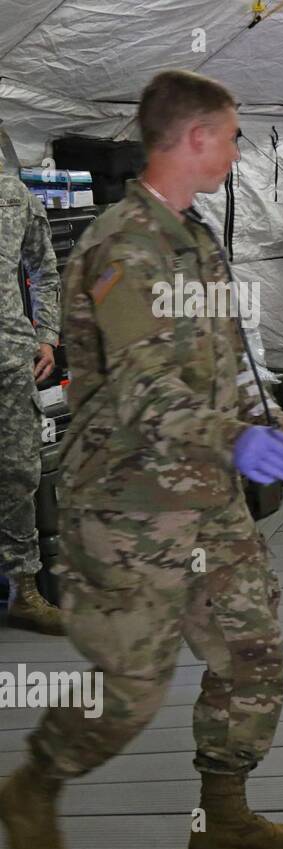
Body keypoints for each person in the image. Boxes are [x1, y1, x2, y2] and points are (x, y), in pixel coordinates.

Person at [0, 69, 283, 849]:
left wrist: (282, 429)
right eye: (230, 132)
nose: (237, 146)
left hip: (208, 499)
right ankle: (35, 785)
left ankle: (224, 816)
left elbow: (233, 363)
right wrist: (235, 443)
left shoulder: (198, 239)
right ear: (193, 139)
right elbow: (143, 391)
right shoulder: (122, 245)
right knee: (131, 687)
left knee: (251, 646)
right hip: (130, 504)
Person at [0, 168, 64, 635]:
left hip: (9, 360)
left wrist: (46, 334)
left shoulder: (12, 194)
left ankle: (23, 590)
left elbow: (43, 267)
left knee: (19, 473)